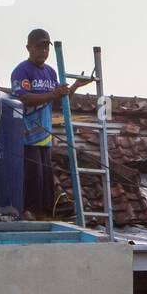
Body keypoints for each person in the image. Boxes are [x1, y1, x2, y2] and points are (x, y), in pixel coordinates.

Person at [10, 29, 90, 218]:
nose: (43, 51)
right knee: (32, 182)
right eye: (39, 47)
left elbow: (58, 102)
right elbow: (24, 98)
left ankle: (42, 215)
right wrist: (53, 94)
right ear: (29, 47)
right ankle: (29, 214)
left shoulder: (50, 72)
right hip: (26, 137)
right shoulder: (22, 70)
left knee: (45, 184)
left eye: (46, 47)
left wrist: (74, 87)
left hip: (45, 138)